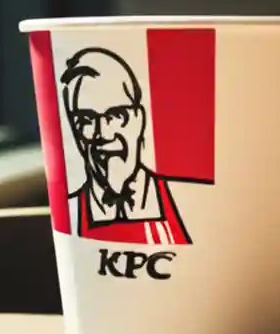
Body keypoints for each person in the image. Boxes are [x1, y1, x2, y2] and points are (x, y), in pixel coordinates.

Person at [60, 47, 190, 245]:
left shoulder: (186, 201)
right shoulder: (70, 212)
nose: (103, 133)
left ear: (139, 120)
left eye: (116, 115)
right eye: (86, 120)